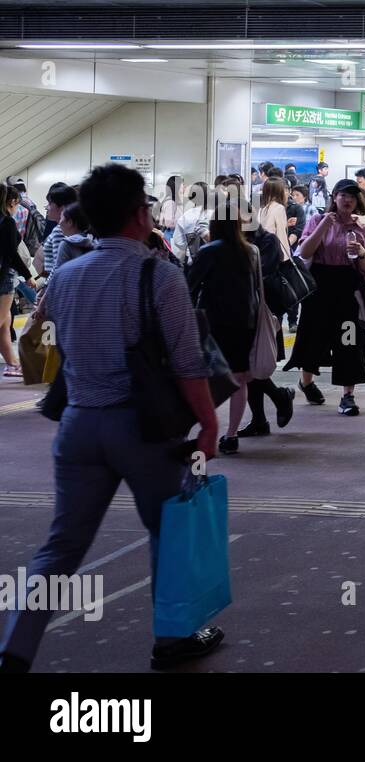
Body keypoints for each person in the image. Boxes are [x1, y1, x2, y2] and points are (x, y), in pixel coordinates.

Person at [0, 164, 222, 673]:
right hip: (141, 429)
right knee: (168, 530)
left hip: (78, 424)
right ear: (140, 215)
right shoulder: (160, 275)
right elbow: (188, 363)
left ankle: (15, 648)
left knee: (61, 545)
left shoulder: (68, 274)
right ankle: (172, 639)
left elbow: (48, 332)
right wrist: (208, 424)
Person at [285, 179, 365, 416]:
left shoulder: (362, 229)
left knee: (349, 342)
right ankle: (306, 383)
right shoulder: (317, 220)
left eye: (353, 196)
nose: (348, 200)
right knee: (313, 340)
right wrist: (325, 224)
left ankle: (348, 396)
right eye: (343, 195)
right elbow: (303, 252)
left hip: (348, 292)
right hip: (319, 290)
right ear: (334, 197)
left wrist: (361, 253)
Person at [187, 193, 260, 453]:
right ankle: (231, 434)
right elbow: (256, 291)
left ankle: (205, 428)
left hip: (213, 323)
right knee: (240, 378)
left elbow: (191, 287)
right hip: (245, 323)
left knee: (207, 377)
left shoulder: (208, 252)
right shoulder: (251, 252)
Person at [238, 216, 297, 438]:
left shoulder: (267, 241)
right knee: (250, 365)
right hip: (245, 309)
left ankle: (275, 401)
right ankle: (262, 416)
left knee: (255, 362)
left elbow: (263, 271)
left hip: (265, 309)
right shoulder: (237, 243)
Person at [0, 185, 36, 377]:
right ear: (11, 202)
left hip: (3, 275)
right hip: (4, 277)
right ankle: (13, 363)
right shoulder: (7, 222)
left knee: (5, 323)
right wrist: (28, 275)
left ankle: (12, 364)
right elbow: (11, 255)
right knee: (1, 320)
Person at [171, 181, 212, 265]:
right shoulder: (216, 213)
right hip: (214, 262)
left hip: (193, 262)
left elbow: (179, 242)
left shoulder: (185, 216)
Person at [41, 182, 77, 277]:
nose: (47, 207)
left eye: (50, 203)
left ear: (62, 207)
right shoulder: (70, 228)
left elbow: (58, 266)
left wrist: (47, 287)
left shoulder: (60, 231)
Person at [257, 178, 292, 265]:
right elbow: (281, 235)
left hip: (265, 254)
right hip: (278, 256)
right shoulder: (279, 208)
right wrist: (286, 258)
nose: (288, 193)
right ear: (277, 192)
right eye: (285, 190)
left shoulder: (262, 208)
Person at [52, 203, 94, 270]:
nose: (59, 222)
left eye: (61, 218)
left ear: (70, 222)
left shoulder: (66, 244)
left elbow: (58, 273)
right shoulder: (93, 241)